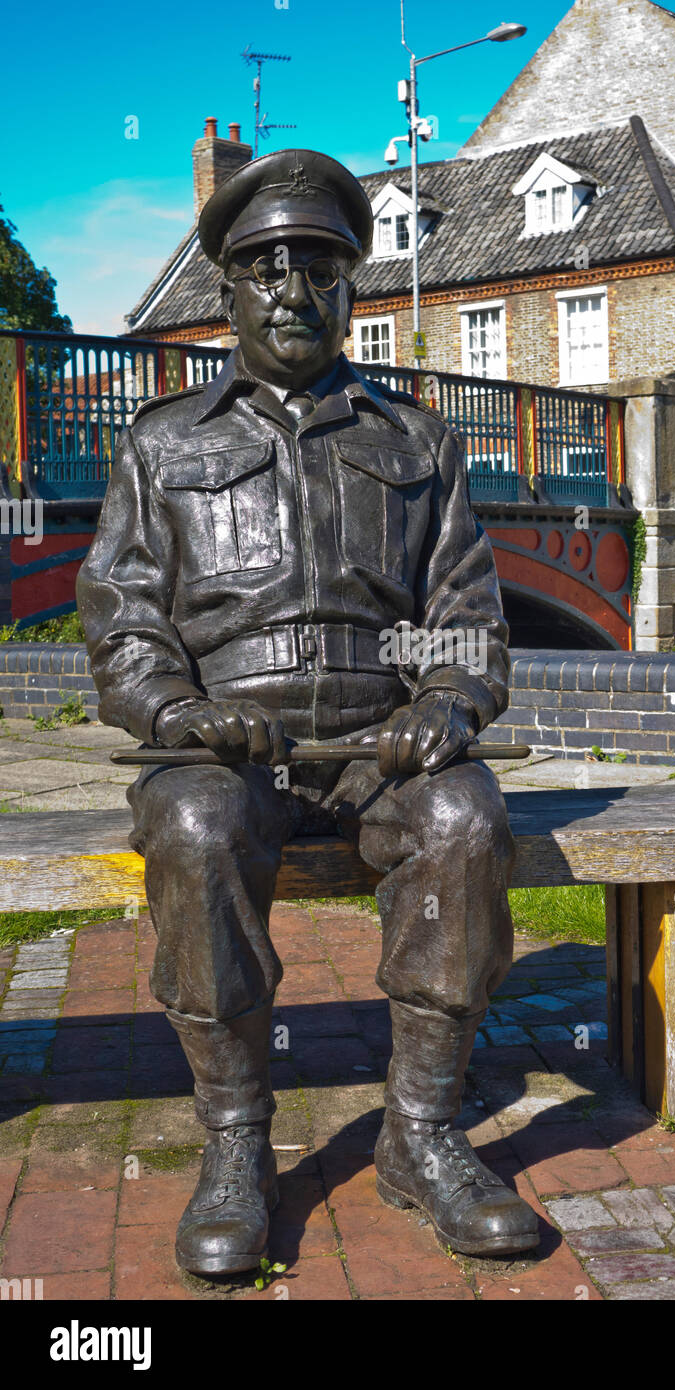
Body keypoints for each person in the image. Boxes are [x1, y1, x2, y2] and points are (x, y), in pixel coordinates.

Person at [76, 149, 538, 1276]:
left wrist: (446, 698)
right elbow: (124, 621)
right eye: (267, 268)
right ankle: (236, 1141)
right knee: (193, 830)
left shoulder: (416, 441)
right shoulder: (161, 442)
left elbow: (464, 614)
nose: (294, 291)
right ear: (228, 290)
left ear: (350, 291)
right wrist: (177, 709)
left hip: (380, 745)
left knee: (464, 822)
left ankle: (418, 1134)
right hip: (227, 749)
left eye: (321, 268)